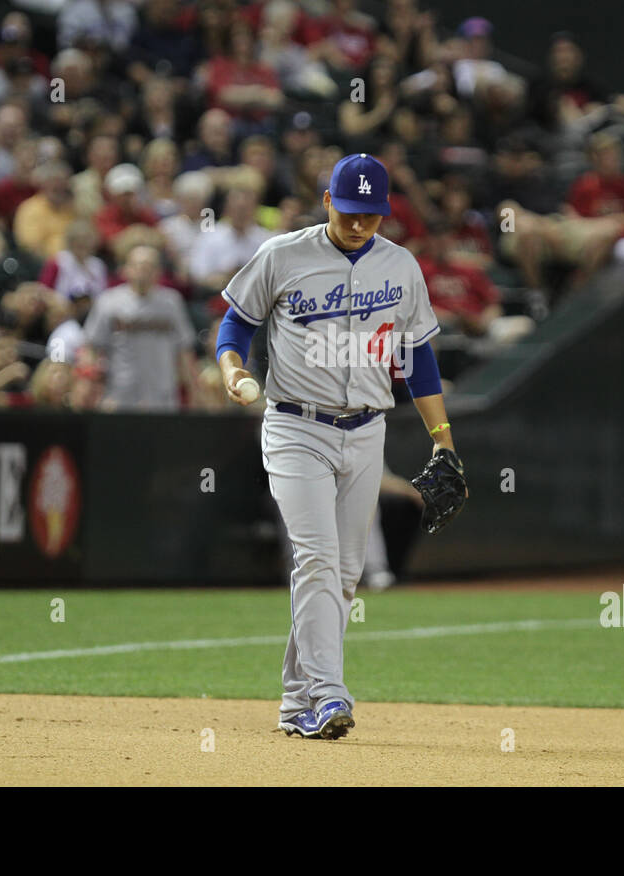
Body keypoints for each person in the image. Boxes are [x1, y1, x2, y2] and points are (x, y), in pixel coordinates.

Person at [215, 153, 462, 740]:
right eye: (349, 212)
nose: (358, 225)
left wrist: (443, 442)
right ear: (327, 201)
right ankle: (328, 694)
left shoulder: (400, 266)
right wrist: (231, 368)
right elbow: (235, 323)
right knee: (318, 558)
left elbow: (419, 360)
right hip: (296, 428)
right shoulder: (283, 255)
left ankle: (295, 701)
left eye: (370, 216)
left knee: (345, 573)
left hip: (366, 431)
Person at [82, 244, 197, 411]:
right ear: (125, 269)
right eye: (137, 265)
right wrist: (93, 389)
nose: (143, 270)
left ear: (159, 271)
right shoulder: (108, 302)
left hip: (162, 395)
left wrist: (193, 391)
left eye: (149, 266)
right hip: (119, 394)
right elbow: (91, 348)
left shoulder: (172, 302)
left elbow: (184, 351)